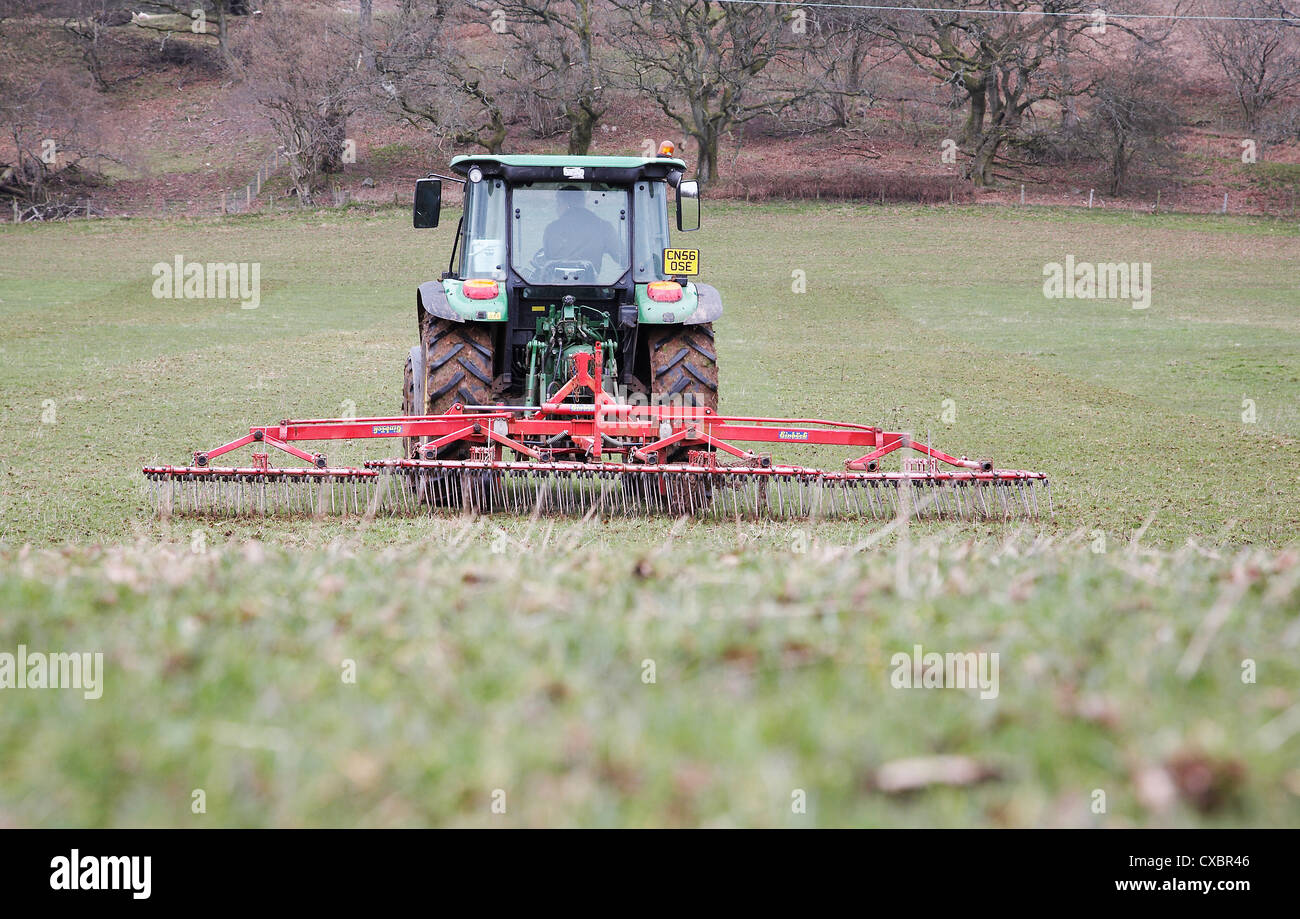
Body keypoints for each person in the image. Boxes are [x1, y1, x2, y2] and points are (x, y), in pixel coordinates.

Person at [540, 187, 623, 270]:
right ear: (583, 202)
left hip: (556, 281)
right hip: (590, 282)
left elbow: (548, 258)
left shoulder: (551, 229)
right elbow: (623, 258)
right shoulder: (604, 227)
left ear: (564, 203)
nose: (556, 208)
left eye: (558, 203)